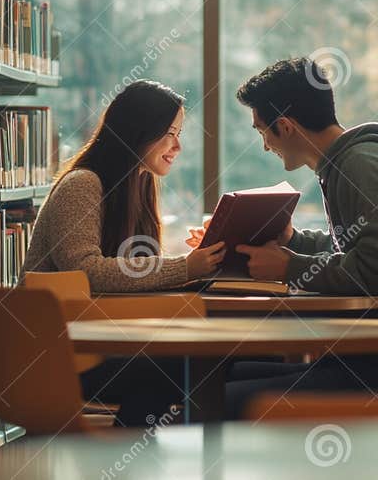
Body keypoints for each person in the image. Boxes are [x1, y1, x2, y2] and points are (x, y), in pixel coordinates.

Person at [203, 57, 378, 418]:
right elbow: (356, 248)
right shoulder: (347, 163)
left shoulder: (360, 166)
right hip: (376, 354)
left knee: (222, 398)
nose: (264, 146)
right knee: (222, 374)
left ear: (286, 126)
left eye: (262, 132)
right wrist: (294, 242)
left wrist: (290, 267)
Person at [21, 79, 225, 426]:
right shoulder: (83, 184)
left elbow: (132, 273)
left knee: (190, 367)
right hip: (63, 354)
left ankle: (128, 457)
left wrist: (200, 259)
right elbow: (87, 271)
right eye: (170, 133)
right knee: (191, 366)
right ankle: (131, 455)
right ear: (139, 131)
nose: (178, 146)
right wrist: (183, 268)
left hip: (105, 342)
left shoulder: (138, 185)